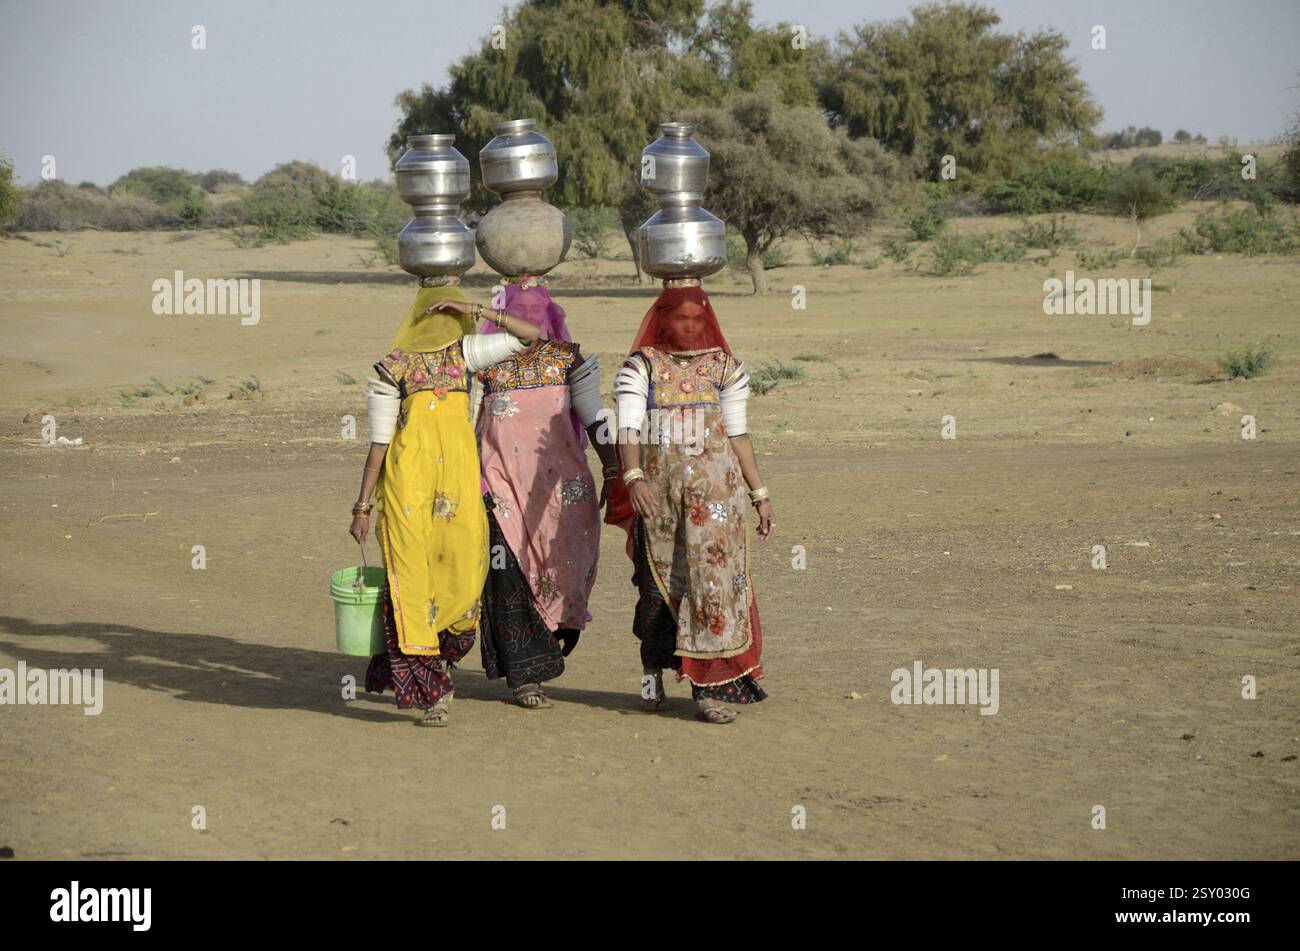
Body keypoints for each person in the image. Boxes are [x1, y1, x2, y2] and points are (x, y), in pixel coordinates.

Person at [349, 279, 540, 727]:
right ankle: (436, 691)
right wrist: (362, 507)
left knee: (460, 578)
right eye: (434, 312)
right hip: (406, 492)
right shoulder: (392, 369)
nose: (441, 321)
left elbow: (529, 335)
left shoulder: (465, 354)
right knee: (412, 581)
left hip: (457, 494)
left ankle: (442, 664)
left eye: (446, 313)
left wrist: (476, 307)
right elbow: (379, 444)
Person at [605, 283, 774, 724]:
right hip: (658, 501)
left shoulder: (725, 369)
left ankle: (709, 689)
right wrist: (634, 477)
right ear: (663, 320)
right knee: (658, 592)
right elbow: (628, 429)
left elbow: (738, 436)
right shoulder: (639, 368)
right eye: (681, 319)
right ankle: (650, 675)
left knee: (712, 589)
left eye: (697, 319)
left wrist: (759, 493)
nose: (690, 327)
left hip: (719, 501)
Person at [474, 278, 617, 709]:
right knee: (508, 573)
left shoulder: (568, 362)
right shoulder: (483, 367)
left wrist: (614, 469)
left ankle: (551, 645)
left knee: (566, 573)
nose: (528, 323)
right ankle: (526, 676)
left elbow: (595, 419)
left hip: (563, 493)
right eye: (520, 313)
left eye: (536, 314)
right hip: (499, 489)